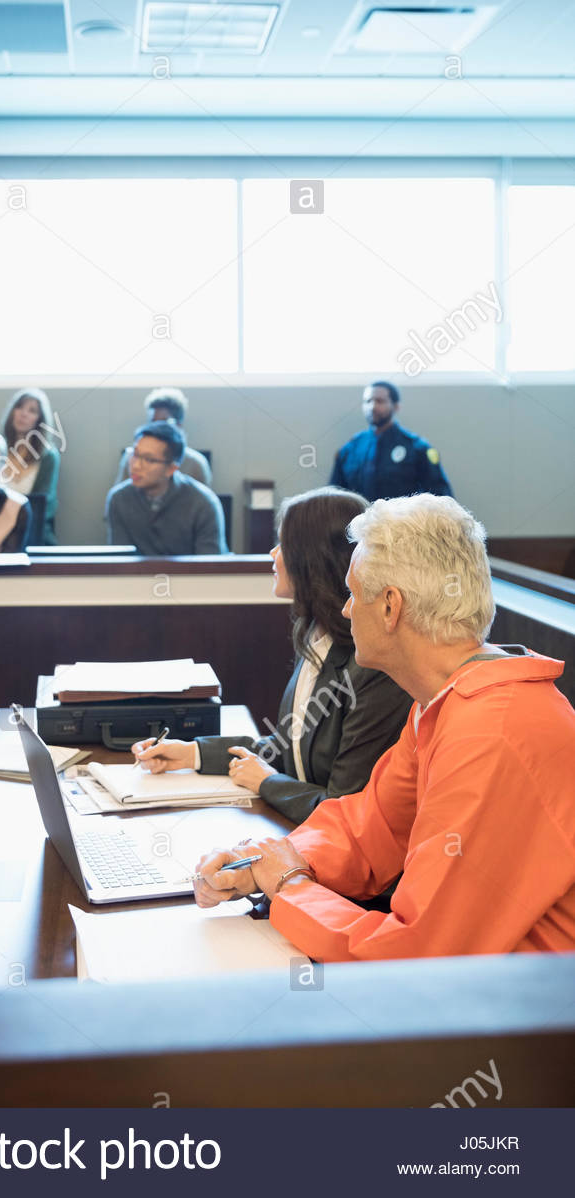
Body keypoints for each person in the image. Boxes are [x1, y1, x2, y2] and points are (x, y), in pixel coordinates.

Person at [192, 494, 575, 958]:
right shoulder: (444, 700)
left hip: (532, 1014)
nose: (347, 609)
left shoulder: (490, 733)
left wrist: (289, 886)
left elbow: (418, 951)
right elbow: (367, 828)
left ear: (391, 607)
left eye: (354, 593)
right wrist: (262, 859)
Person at [132, 487, 412, 823]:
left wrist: (267, 782)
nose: (273, 553)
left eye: (284, 545)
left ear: (312, 559)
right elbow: (288, 745)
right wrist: (190, 753)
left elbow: (346, 809)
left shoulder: (371, 666)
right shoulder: (316, 636)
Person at [105, 421, 226, 556]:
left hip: (189, 576)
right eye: (135, 454)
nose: (136, 466)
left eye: (149, 460)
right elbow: (120, 560)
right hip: (138, 576)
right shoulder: (119, 499)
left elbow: (209, 565)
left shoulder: (203, 503)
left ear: (171, 469)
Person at [330, 381, 453, 502]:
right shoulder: (350, 449)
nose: (372, 407)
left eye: (380, 401)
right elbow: (334, 496)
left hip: (403, 521)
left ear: (396, 406)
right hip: (359, 520)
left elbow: (440, 497)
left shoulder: (417, 448)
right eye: (368, 401)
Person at [114, 387, 212, 489]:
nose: (157, 428)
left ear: (178, 425)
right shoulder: (131, 458)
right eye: (153, 422)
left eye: (163, 423)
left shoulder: (196, 464)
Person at [0, 389, 62, 545]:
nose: (23, 414)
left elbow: (45, 505)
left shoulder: (48, 457)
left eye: (32, 411)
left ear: (39, 420)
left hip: (33, 532)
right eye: (19, 407)